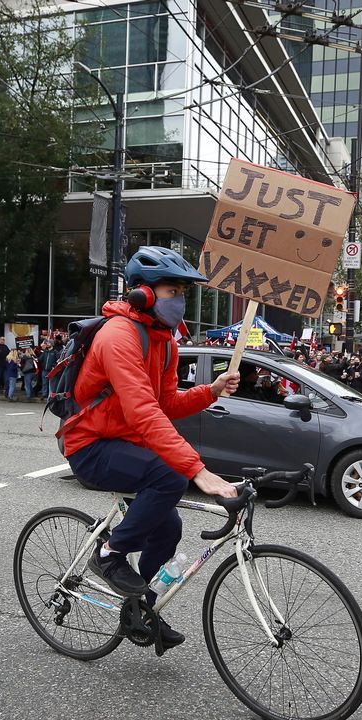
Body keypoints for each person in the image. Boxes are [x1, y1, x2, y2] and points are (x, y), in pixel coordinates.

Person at [64, 246, 240, 649]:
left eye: (183, 291)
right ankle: (109, 554)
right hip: (90, 445)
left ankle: (142, 611)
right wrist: (200, 472)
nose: (180, 299)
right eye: (172, 290)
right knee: (170, 477)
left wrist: (209, 392)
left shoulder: (164, 342)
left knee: (170, 528)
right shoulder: (117, 336)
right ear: (142, 292)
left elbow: (166, 404)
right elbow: (144, 413)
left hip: (126, 444)